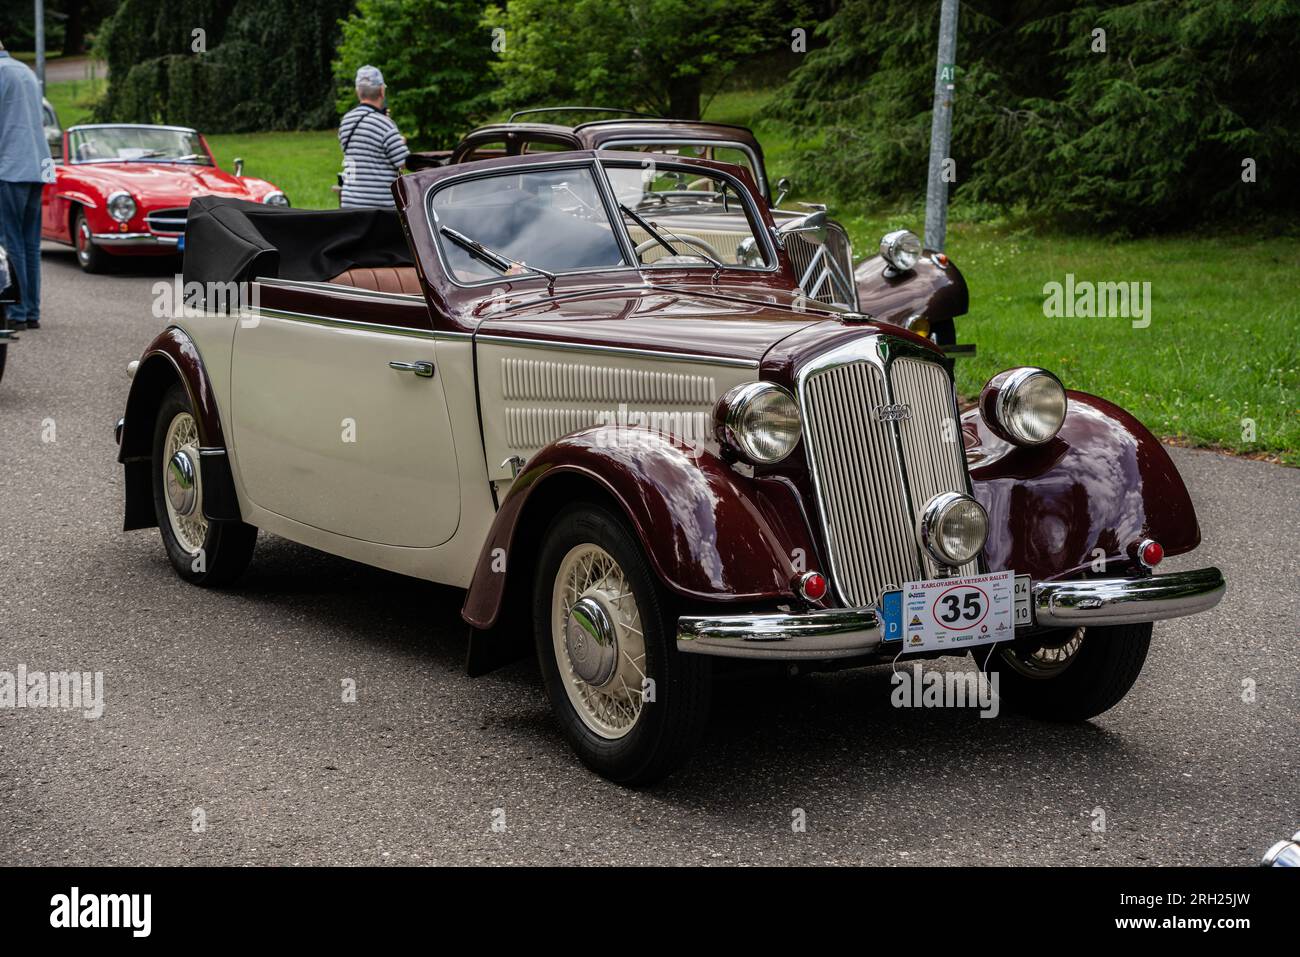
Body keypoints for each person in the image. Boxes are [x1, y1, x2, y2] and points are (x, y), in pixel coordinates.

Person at [0, 37, 51, 330]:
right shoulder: (25, 70)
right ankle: (31, 311)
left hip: (10, 167)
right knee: (31, 244)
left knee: (10, 243)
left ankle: (16, 312)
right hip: (37, 165)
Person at [338, 65, 409, 208]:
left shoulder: (346, 121)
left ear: (358, 92)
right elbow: (403, 162)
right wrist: (401, 142)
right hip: (379, 209)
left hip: (350, 205)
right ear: (382, 91)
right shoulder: (385, 124)